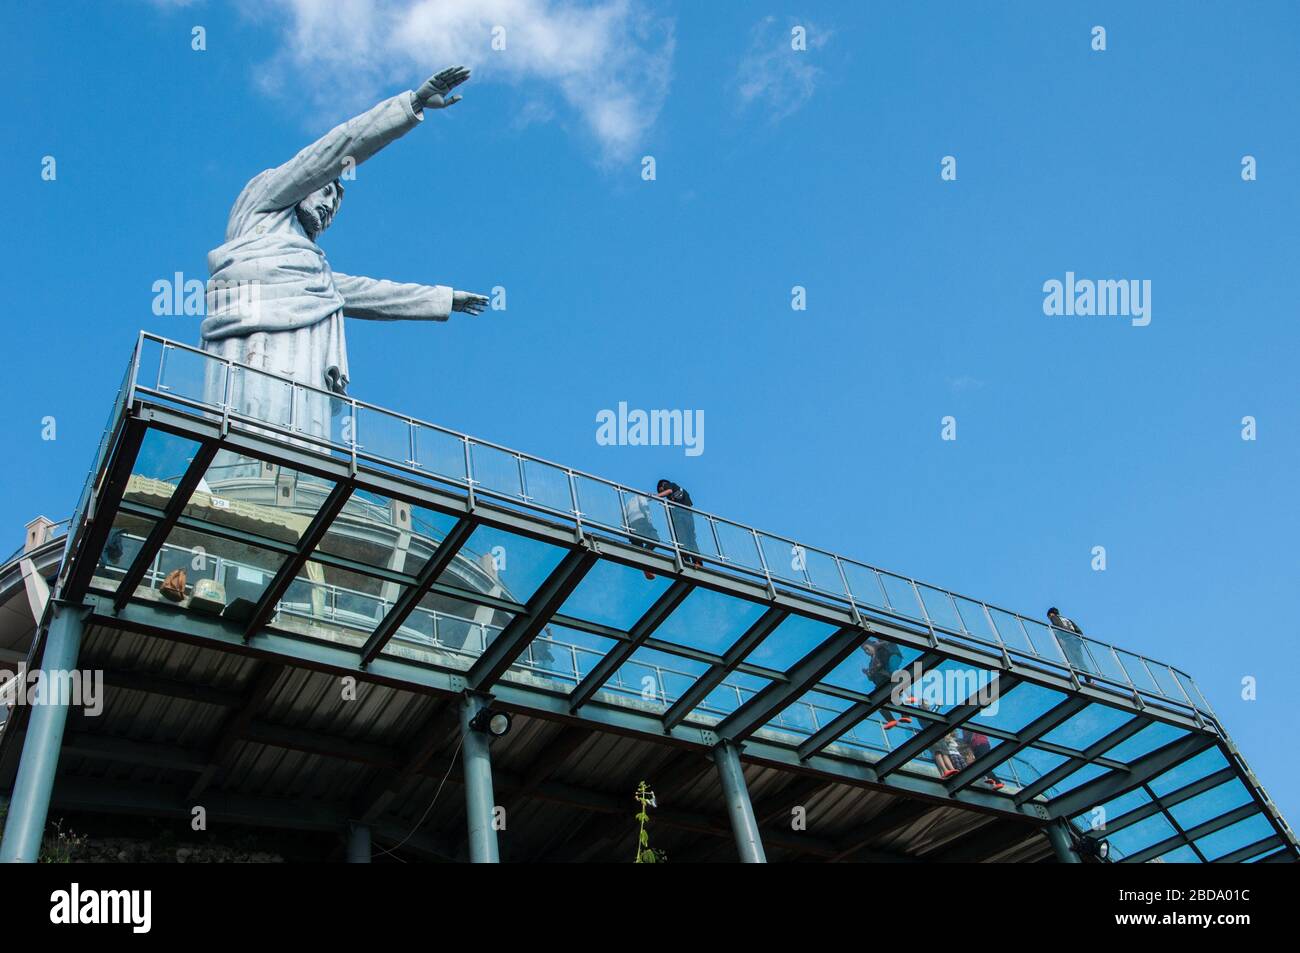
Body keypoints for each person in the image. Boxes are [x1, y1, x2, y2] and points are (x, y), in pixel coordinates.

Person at [861, 637, 913, 730]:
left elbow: (886, 660)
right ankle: (891, 720)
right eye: (865, 650)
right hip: (880, 684)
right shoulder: (870, 663)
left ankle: (906, 713)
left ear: (872, 646)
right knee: (877, 700)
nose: (866, 651)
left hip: (888, 679)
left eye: (867, 648)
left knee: (895, 695)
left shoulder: (880, 652)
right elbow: (872, 677)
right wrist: (868, 674)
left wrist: (878, 666)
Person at [655, 479, 703, 568]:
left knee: (681, 537)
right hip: (688, 514)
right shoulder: (680, 489)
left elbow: (668, 491)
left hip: (680, 515)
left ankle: (685, 559)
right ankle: (698, 562)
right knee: (691, 538)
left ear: (662, 486)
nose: (664, 495)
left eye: (661, 491)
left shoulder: (667, 485)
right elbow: (690, 503)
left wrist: (656, 496)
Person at [1047, 607, 1095, 684]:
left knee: (1072, 660)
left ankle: (1075, 678)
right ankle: (1088, 680)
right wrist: (1078, 641)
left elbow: (1058, 627)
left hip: (1068, 640)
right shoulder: (1067, 619)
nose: (1050, 619)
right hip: (1075, 640)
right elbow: (1079, 631)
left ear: (1051, 614)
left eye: (1049, 617)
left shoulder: (1054, 617)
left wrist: (1063, 638)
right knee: (1080, 660)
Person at [623, 492, 659, 580]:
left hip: (631, 525)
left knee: (638, 546)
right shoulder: (640, 496)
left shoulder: (627, 503)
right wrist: (648, 520)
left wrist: (626, 528)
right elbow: (644, 506)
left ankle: (645, 567)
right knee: (655, 539)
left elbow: (623, 514)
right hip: (641, 520)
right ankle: (645, 558)